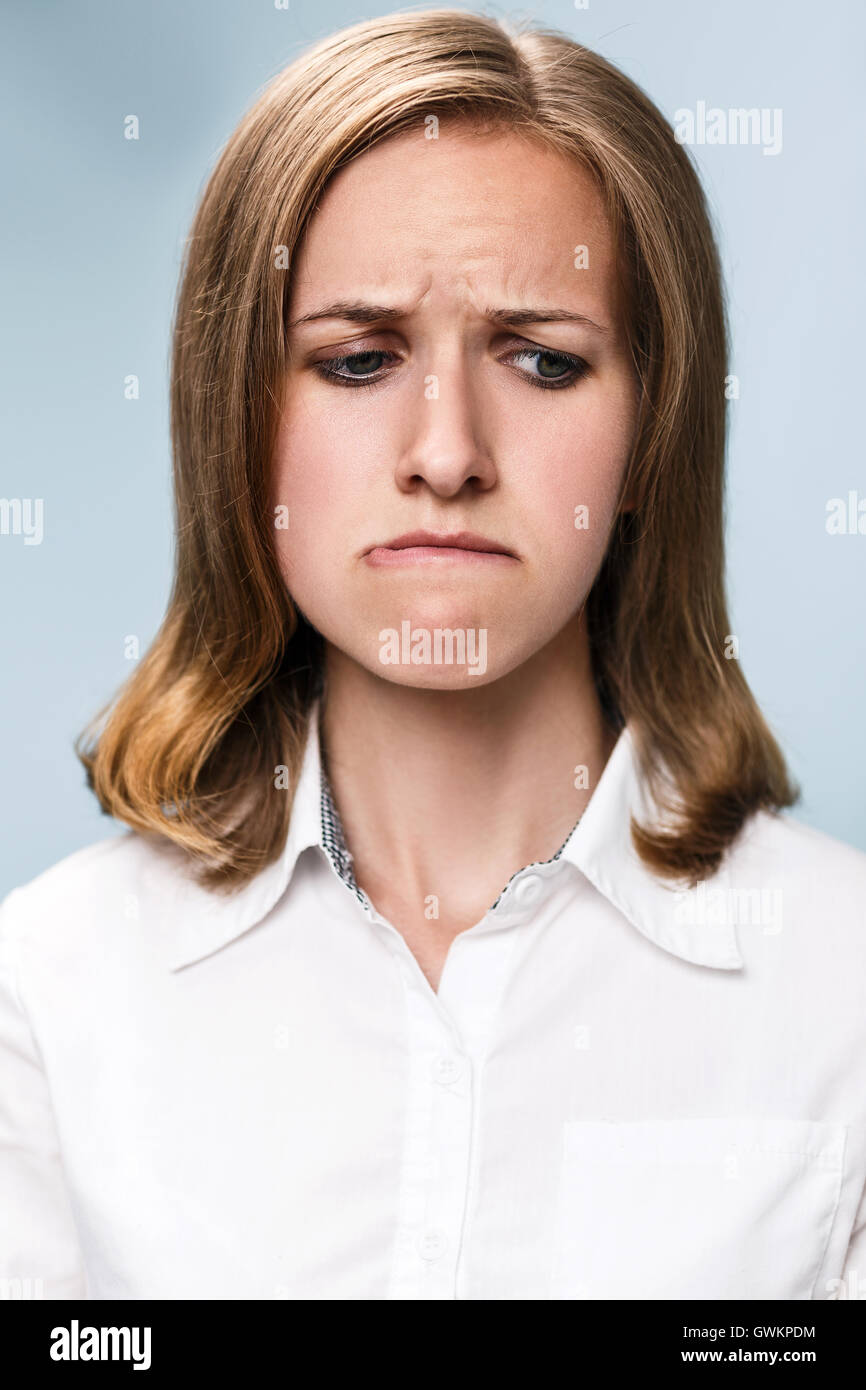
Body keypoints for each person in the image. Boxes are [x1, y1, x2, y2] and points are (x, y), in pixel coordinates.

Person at [1, 7, 864, 1301]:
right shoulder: (48, 990)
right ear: (236, 419)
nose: (446, 452)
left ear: (652, 433)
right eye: (357, 359)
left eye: (540, 359)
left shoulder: (839, 987)